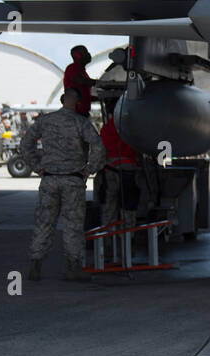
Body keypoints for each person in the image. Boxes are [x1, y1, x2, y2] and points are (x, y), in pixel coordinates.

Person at [22, 88, 104, 282]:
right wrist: (90, 169)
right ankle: (73, 267)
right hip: (73, 180)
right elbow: (98, 146)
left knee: (44, 222)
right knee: (72, 225)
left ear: (61, 100)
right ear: (77, 102)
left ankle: (35, 264)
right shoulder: (81, 122)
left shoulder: (45, 121)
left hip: (49, 179)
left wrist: (37, 166)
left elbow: (26, 143)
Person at [100, 99, 139, 229]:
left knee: (109, 202)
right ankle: (129, 233)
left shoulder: (106, 129)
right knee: (128, 203)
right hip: (128, 168)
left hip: (111, 168)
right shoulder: (130, 127)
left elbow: (102, 150)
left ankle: (108, 233)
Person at [63, 45, 96, 117]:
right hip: (75, 113)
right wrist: (100, 83)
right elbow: (81, 81)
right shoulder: (72, 68)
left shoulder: (83, 72)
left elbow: (84, 95)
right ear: (77, 56)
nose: (89, 54)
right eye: (85, 52)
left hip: (82, 113)